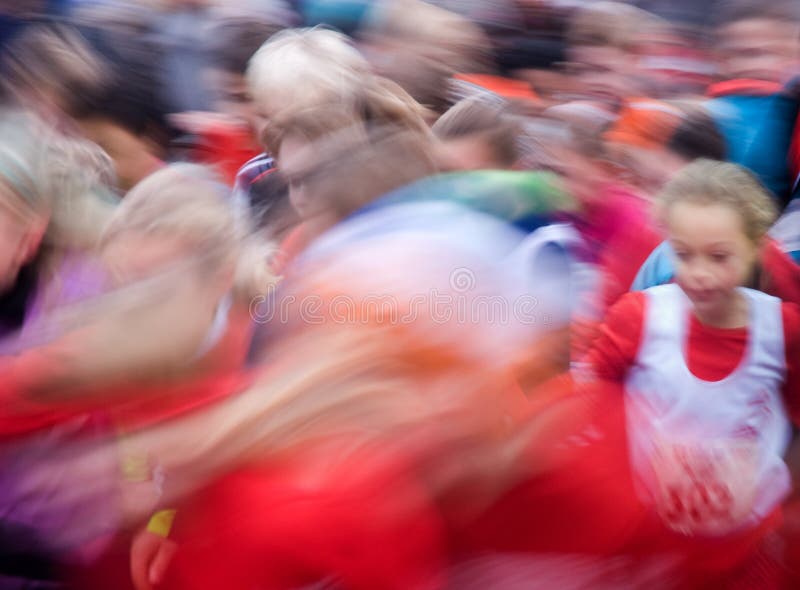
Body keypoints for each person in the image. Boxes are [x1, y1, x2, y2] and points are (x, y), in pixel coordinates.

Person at [584, 159, 800, 586]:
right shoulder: (639, 318)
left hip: (746, 549)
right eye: (683, 254)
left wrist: (785, 508)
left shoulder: (785, 329)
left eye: (719, 257)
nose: (699, 274)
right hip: (651, 544)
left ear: (756, 247)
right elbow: (590, 401)